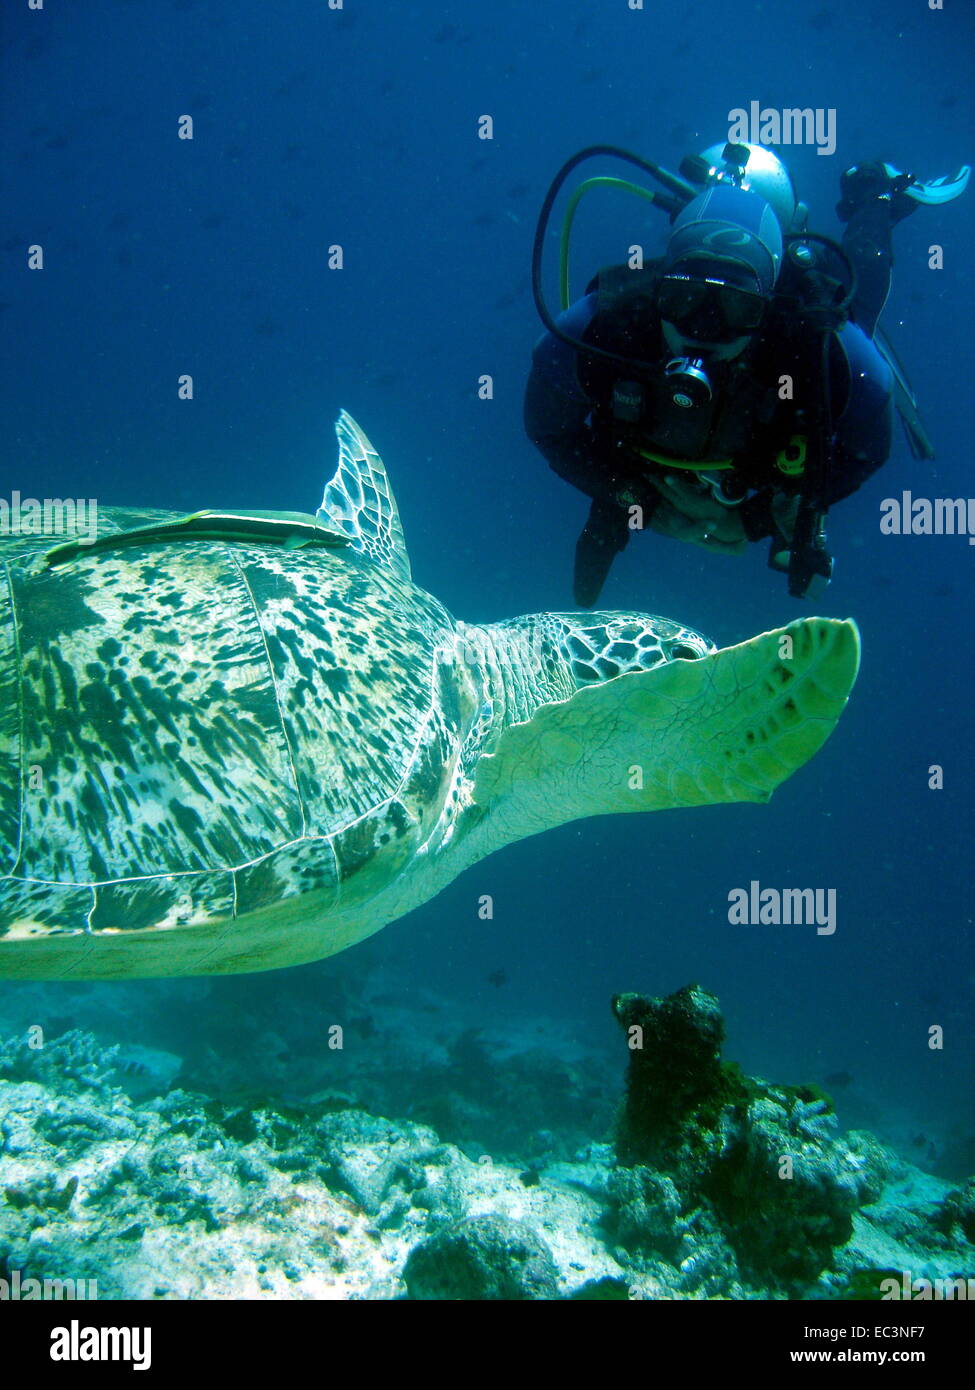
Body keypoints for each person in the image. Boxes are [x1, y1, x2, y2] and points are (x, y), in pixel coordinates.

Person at [525, 142, 969, 604]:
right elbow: (547, 427)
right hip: (645, 476)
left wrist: (758, 518)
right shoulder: (607, 322)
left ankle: (877, 200)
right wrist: (630, 500)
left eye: (736, 305)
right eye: (685, 299)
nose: (705, 328)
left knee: (858, 297)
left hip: (765, 467)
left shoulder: (817, 342)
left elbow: (867, 449)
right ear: (659, 289)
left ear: (770, 306)